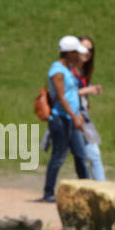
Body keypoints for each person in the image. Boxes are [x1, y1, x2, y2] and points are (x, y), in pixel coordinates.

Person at [41, 36, 89, 202]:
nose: (79, 56)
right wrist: (74, 117)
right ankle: (48, 192)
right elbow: (61, 98)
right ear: (70, 53)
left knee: (80, 154)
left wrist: (78, 114)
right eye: (77, 52)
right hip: (60, 118)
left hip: (71, 117)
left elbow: (72, 94)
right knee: (59, 155)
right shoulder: (57, 71)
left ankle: (87, 189)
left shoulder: (68, 69)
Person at [76, 35, 106, 181]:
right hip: (70, 116)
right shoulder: (68, 70)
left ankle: (102, 188)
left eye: (90, 49)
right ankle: (48, 191)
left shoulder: (83, 71)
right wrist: (88, 90)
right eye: (84, 48)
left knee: (93, 154)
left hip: (83, 116)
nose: (87, 52)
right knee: (60, 155)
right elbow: (63, 94)